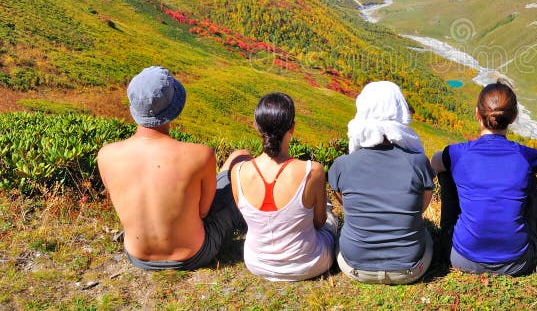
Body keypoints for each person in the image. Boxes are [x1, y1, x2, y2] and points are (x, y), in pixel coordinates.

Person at [97, 66, 249, 270]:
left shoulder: (106, 155)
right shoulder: (200, 154)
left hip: (137, 256)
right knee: (240, 158)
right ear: (173, 108)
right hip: (194, 254)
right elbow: (204, 212)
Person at [431, 81, 537, 276]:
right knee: (531, 180)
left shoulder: (457, 153)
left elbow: (434, 163)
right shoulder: (527, 155)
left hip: (462, 258)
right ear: (514, 117)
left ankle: (448, 230)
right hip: (518, 262)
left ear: (477, 114)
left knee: (446, 172)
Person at [328, 81, 435, 284]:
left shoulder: (342, 165)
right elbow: (421, 206)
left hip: (355, 267)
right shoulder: (418, 162)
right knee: (425, 233)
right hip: (411, 269)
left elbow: (344, 202)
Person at [230, 93, 336, 281]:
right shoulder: (312, 171)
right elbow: (319, 222)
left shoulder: (238, 171)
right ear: (292, 127)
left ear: (256, 126)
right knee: (331, 220)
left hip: (257, 263)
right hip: (308, 263)